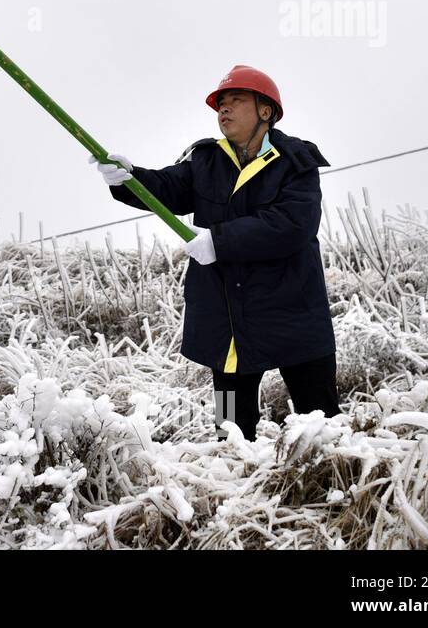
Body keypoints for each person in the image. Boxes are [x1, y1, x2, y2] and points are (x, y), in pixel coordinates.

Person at [93, 65, 340, 441]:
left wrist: (218, 241)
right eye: (220, 104)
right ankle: (235, 488)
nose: (223, 109)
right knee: (229, 428)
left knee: (322, 421)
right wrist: (129, 179)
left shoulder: (296, 162)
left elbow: (293, 223)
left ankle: (334, 487)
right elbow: (166, 188)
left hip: (292, 313)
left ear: (265, 111)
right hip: (229, 322)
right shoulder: (205, 161)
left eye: (236, 100)